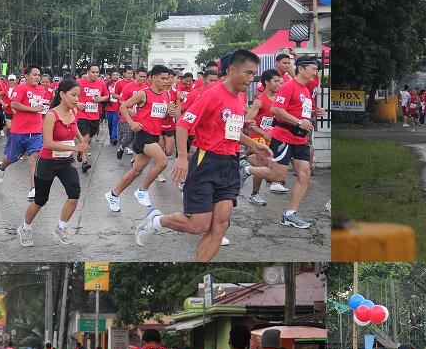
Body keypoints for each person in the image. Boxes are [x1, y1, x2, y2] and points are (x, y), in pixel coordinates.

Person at [135, 50, 272, 260]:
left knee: (221, 224)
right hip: (206, 161)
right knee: (199, 225)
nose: (252, 78)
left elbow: (232, 131)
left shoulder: (240, 97)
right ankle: (156, 221)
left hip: (230, 164)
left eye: (254, 74)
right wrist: (182, 157)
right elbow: (183, 124)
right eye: (248, 73)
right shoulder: (212, 94)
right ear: (232, 69)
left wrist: (254, 144)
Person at [18, 79, 88, 247]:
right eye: (73, 95)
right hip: (48, 162)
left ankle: (61, 227)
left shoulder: (74, 111)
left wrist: (81, 139)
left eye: (78, 96)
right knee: (40, 200)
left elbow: (74, 127)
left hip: (66, 161)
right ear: (62, 94)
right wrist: (76, 148)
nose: (76, 99)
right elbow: (48, 143)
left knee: (74, 194)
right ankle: (25, 228)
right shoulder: (51, 115)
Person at [264, 55, 325, 230]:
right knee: (277, 177)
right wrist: (298, 122)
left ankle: (290, 214)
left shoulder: (305, 90)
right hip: (284, 137)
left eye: (316, 70)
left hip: (300, 139)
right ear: (301, 69)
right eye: (313, 69)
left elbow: (298, 110)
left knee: (304, 174)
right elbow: (276, 109)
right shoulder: (288, 86)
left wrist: (313, 113)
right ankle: (247, 168)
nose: (315, 72)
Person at [105, 64, 173, 212]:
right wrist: (131, 122)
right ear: (153, 78)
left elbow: (163, 117)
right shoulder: (143, 93)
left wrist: (169, 114)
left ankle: (113, 195)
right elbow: (123, 107)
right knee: (162, 162)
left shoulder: (167, 95)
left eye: (167, 78)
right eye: (162, 78)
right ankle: (142, 191)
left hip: (155, 135)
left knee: (136, 171)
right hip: (143, 135)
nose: (166, 81)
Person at [0, 66, 47, 201]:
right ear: (27, 76)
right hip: (19, 130)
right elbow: (14, 104)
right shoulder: (21, 88)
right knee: (12, 158)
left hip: (35, 131)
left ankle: (33, 188)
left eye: (39, 75)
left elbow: (43, 106)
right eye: (34, 74)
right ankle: (1, 166)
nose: (37, 77)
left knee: (35, 158)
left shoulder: (41, 90)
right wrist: (33, 109)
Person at [242, 68, 288, 206]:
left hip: (273, 136)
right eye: (276, 81)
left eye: (280, 82)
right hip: (258, 136)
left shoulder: (278, 100)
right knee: (262, 164)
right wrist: (262, 132)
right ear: (266, 82)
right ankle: (254, 194)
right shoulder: (259, 101)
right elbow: (247, 123)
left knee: (270, 167)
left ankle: (245, 159)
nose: (278, 84)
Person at [75, 64, 110, 172]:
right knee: (85, 138)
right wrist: (77, 103)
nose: (95, 74)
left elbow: (107, 95)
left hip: (94, 116)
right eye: (93, 72)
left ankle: (80, 151)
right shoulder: (79, 82)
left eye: (97, 72)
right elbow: (70, 95)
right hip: (82, 115)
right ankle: (85, 163)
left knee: (89, 140)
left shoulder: (101, 83)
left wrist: (101, 98)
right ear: (87, 72)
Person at [115, 67, 148, 160]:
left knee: (137, 140)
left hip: (140, 119)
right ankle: (122, 147)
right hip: (127, 118)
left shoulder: (147, 88)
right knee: (128, 138)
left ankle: (134, 160)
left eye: (144, 77)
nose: (142, 78)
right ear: (136, 75)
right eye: (140, 76)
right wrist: (128, 109)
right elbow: (121, 100)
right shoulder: (128, 86)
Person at [105, 70, 121, 144]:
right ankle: (111, 137)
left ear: (119, 76)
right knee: (110, 124)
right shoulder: (108, 84)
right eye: (114, 75)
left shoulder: (120, 84)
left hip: (117, 107)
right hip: (109, 107)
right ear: (111, 76)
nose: (115, 76)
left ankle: (115, 138)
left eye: (117, 75)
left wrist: (117, 96)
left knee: (115, 123)